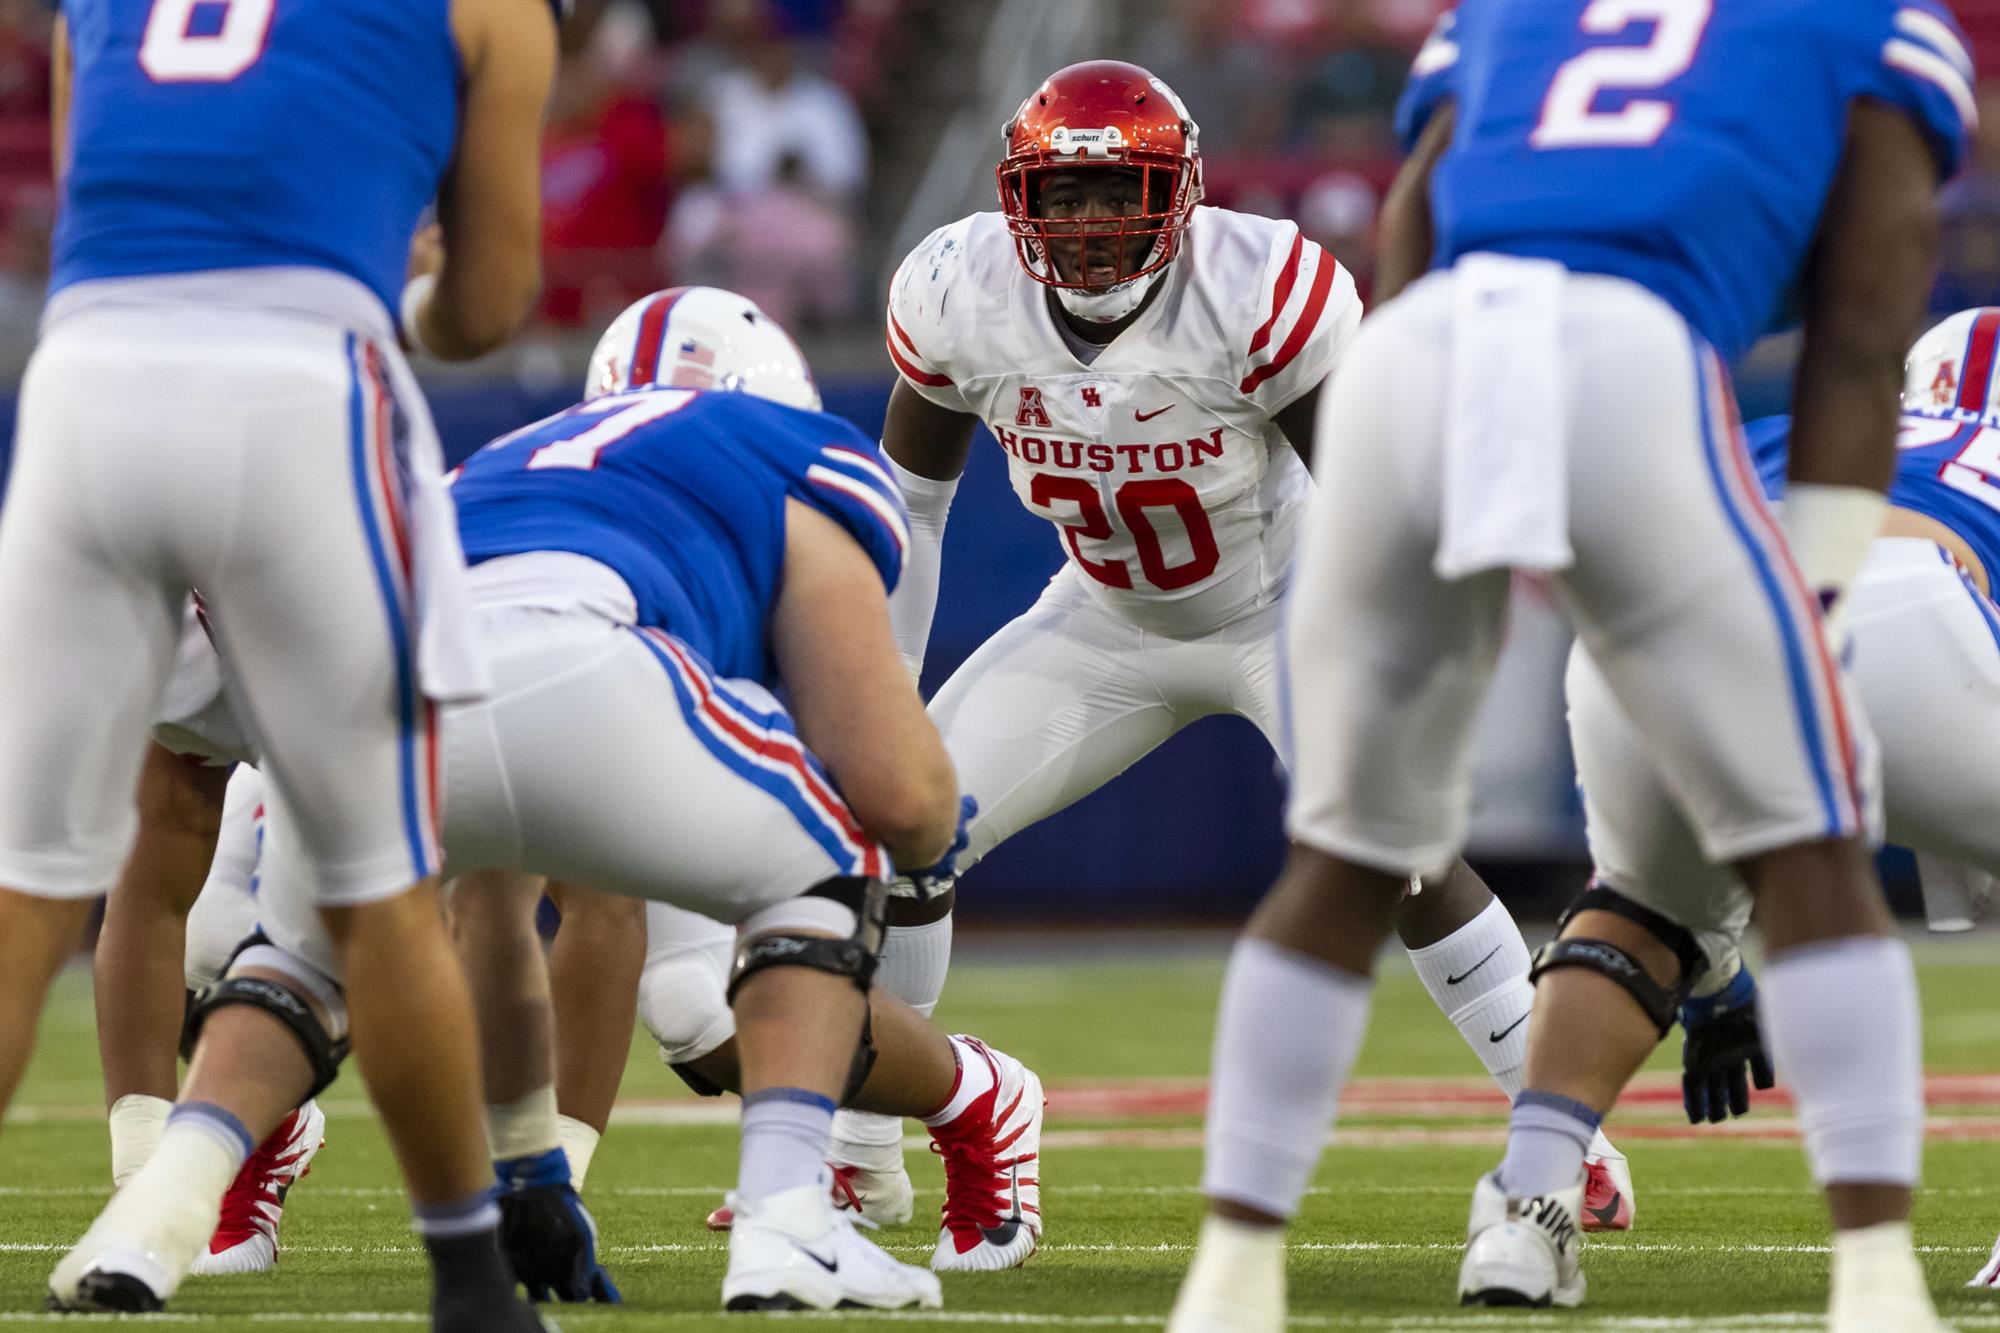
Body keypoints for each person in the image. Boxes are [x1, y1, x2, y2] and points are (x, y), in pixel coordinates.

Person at [1168, 1, 1968, 1328]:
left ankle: (1232, 1273)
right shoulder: (1875, 25)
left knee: (1349, 858)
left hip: (1419, 353)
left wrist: (1422, 478)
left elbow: (1412, 221)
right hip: (1629, 346)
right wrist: (1817, 601)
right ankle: (1878, 1277)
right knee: (1810, 842)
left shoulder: (1507, 10)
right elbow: (1862, 342)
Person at [55, 287, 1039, 1315]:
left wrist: (533, 1165)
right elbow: (889, 783)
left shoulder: (498, 463)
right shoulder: (793, 450)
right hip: (590, 668)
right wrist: (922, 830)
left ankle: (152, 1218)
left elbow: (492, 904)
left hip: (386, 701)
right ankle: (786, 1221)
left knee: (297, 965)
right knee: (831, 856)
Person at [855, 58, 1632, 1273]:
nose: (1088, 225)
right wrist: (883, 701)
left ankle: (1561, 1136)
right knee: (904, 828)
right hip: (1105, 619)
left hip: (1284, 607)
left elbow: (1361, 491)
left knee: (1399, 854)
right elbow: (908, 510)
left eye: (1116, 194)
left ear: (1178, 194)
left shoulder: (1252, 289)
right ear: (1018, 202)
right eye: (1062, 197)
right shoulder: (962, 291)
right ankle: (861, 1152)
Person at [3, 0, 558, 1327]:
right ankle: (472, 1281)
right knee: (379, 889)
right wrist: (394, 284)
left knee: (27, 887)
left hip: (86, 386)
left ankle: (152, 1172)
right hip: (303, 387)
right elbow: (486, 307)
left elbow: (108, 210)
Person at [1570, 309, 2000, 1289]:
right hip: (1908, 607)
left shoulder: (1806, 426)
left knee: (1640, 902)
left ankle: (1529, 1196)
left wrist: (1711, 959)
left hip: (1661, 620)